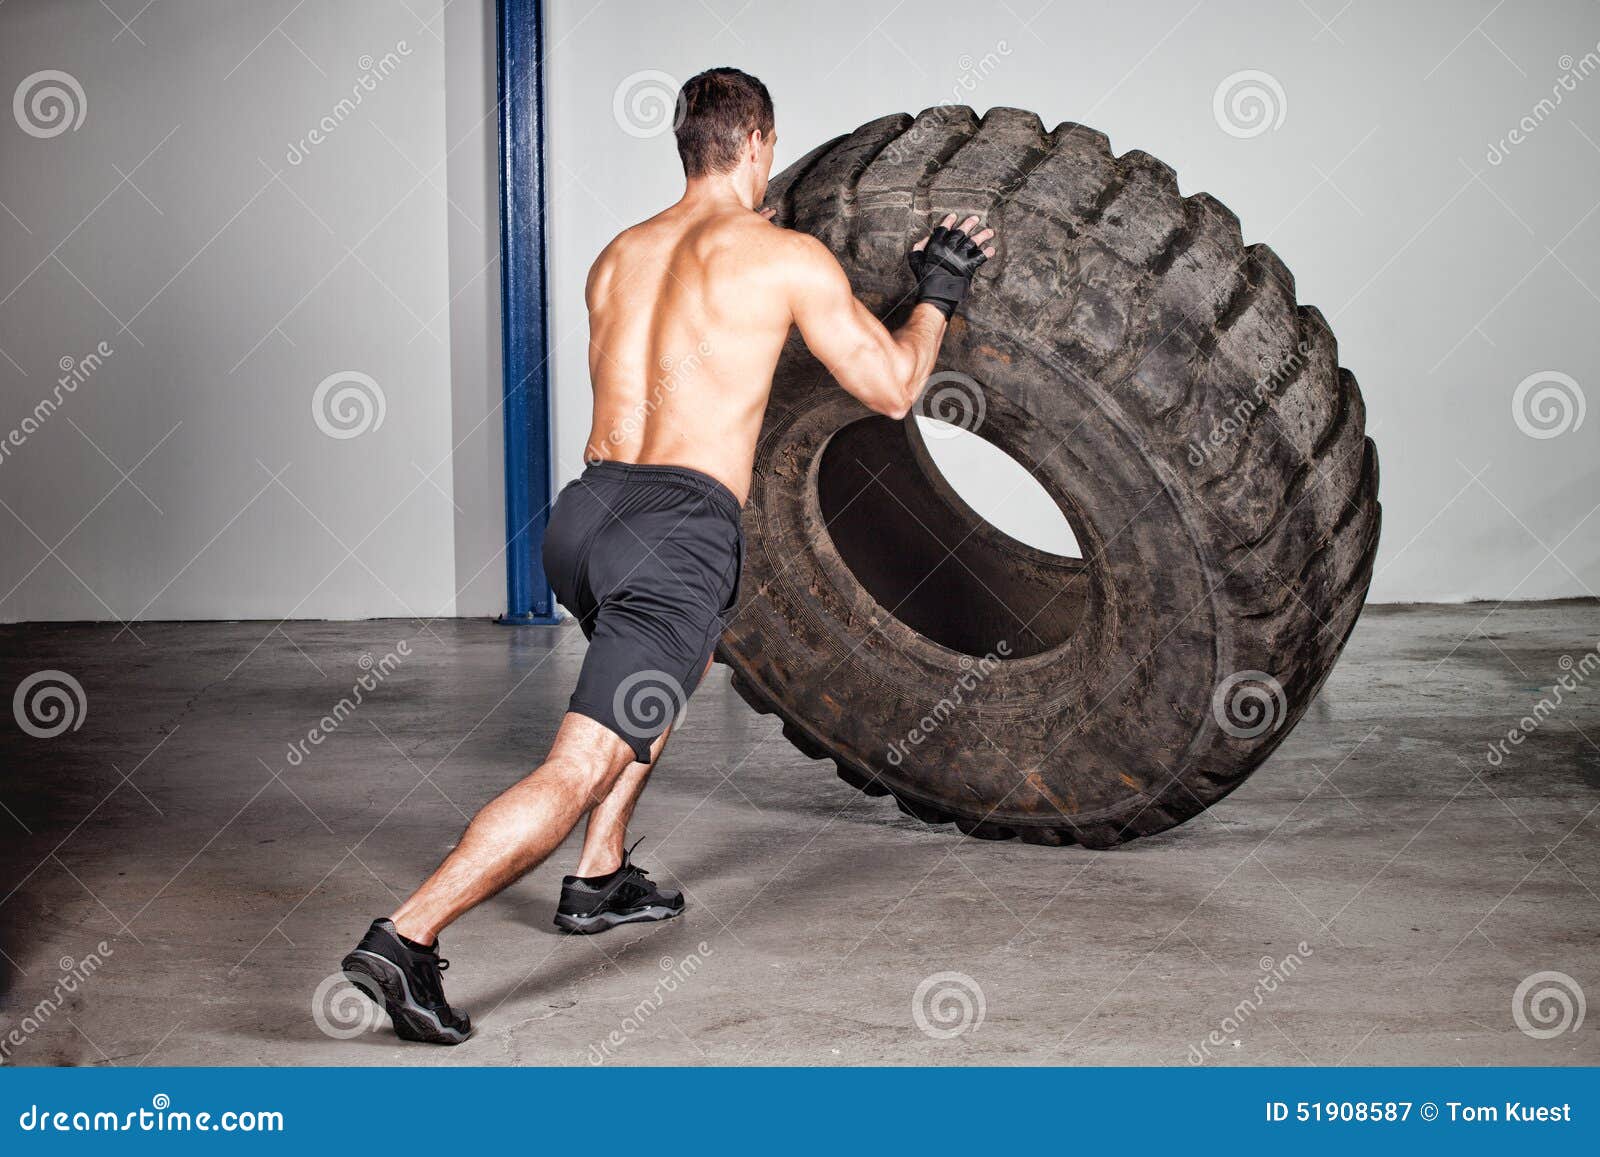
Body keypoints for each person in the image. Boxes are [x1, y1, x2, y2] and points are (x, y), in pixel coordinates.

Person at [340, 67, 996, 1044]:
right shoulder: (786, 258)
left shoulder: (620, 254)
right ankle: (408, 936)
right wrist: (938, 284)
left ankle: (600, 875)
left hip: (586, 515)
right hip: (678, 532)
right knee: (574, 764)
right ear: (761, 142)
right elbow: (896, 386)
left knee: (664, 673)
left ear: (687, 146)